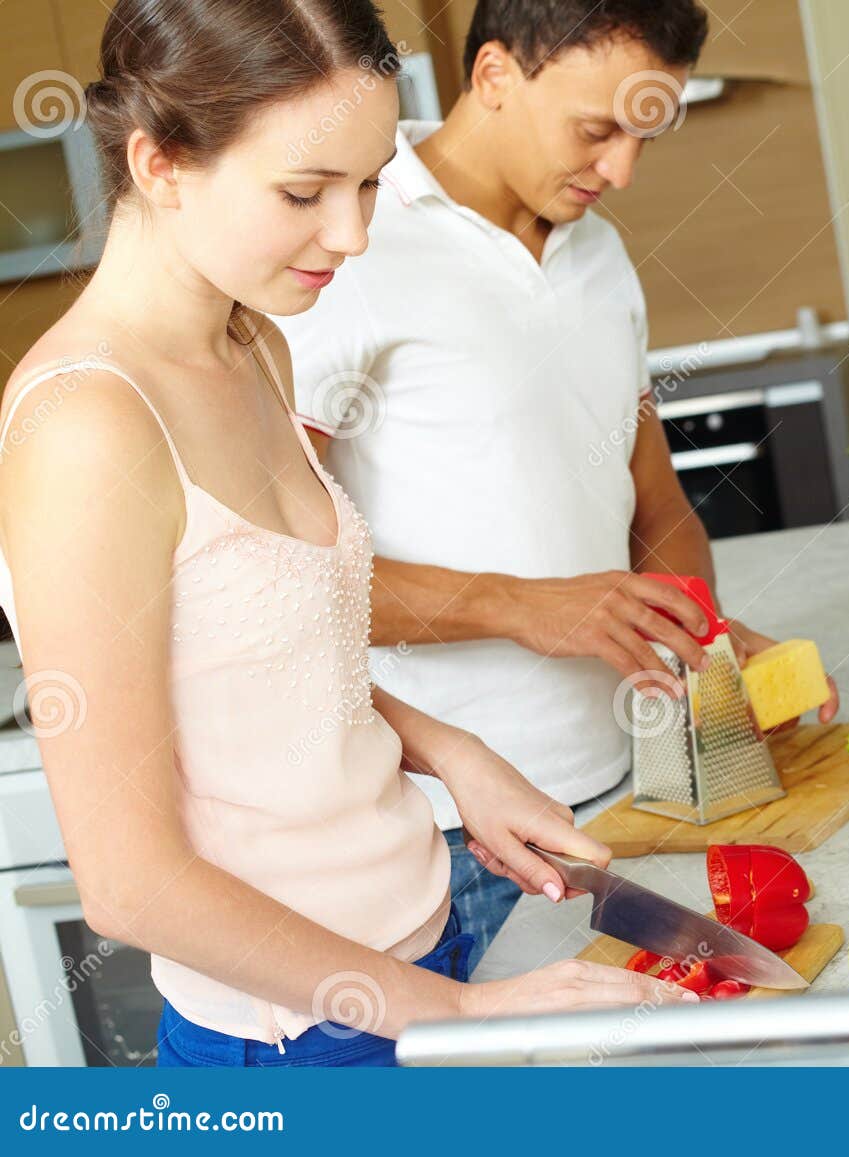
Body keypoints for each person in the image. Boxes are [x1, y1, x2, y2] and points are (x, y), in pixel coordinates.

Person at [0, 0, 692, 1069]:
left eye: (369, 181)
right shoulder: (85, 425)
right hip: (298, 1036)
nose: (354, 234)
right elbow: (129, 880)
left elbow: (264, 659)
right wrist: (449, 1015)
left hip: (424, 948)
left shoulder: (256, 345)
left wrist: (455, 752)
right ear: (160, 162)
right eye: (303, 191)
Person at [277, 0, 838, 972]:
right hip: (448, 830)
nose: (619, 170)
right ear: (494, 76)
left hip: (623, 799)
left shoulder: (600, 252)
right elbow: (276, 569)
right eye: (597, 130)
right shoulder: (348, 250)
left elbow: (653, 498)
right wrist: (520, 606)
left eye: (643, 135)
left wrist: (694, 633)